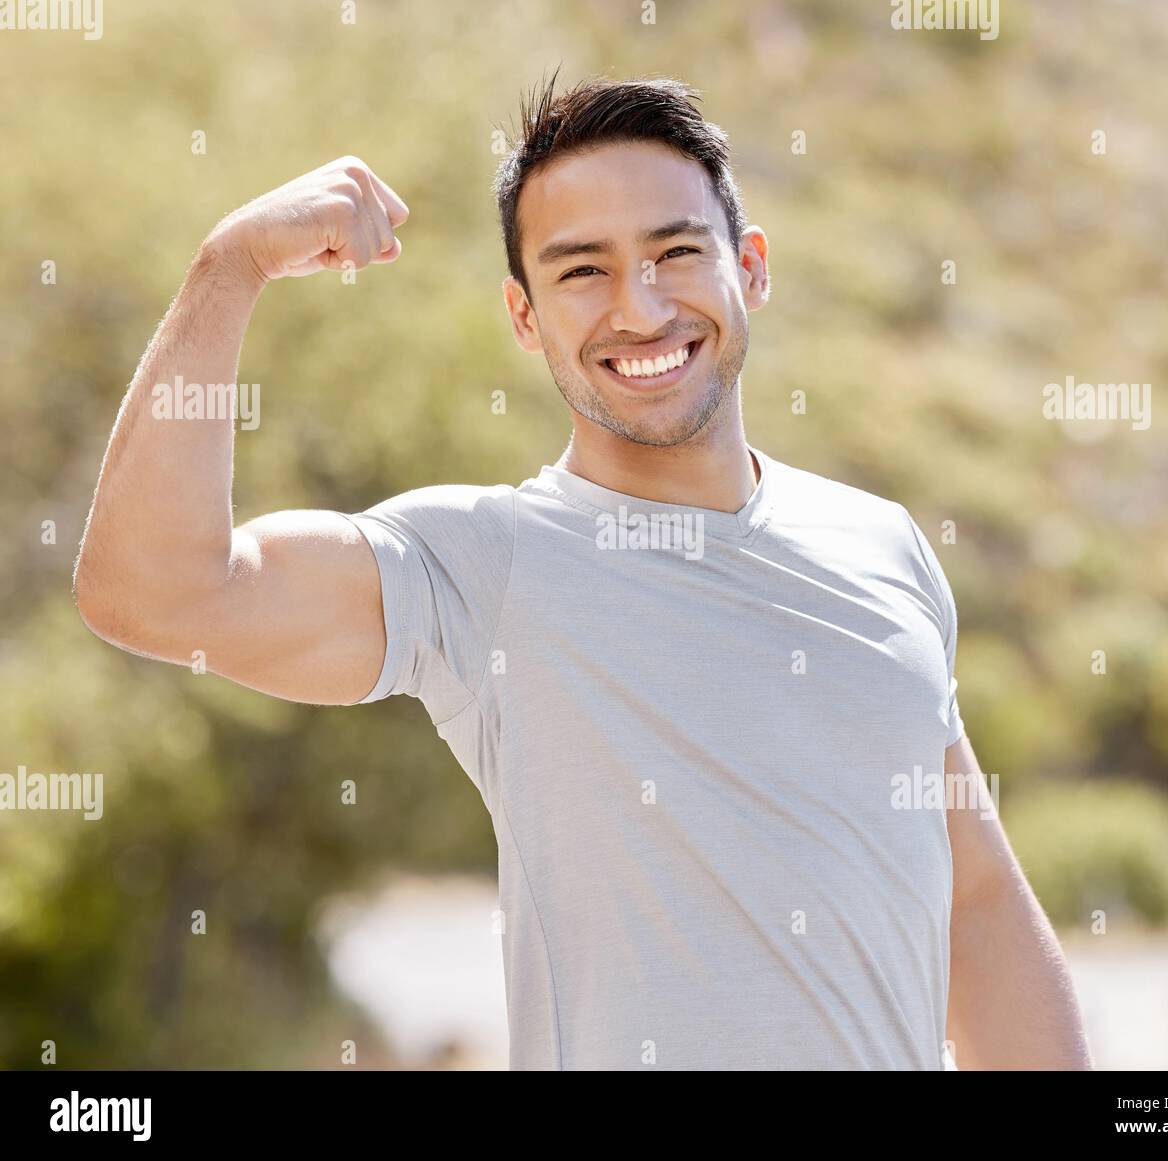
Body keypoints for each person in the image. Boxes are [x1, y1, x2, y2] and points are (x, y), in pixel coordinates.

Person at [73, 72, 1092, 1070]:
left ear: (752, 267)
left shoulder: (882, 545)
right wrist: (230, 265)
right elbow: (155, 592)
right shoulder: (484, 568)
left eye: (676, 251)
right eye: (581, 271)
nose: (639, 308)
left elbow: (976, 905)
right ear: (525, 318)